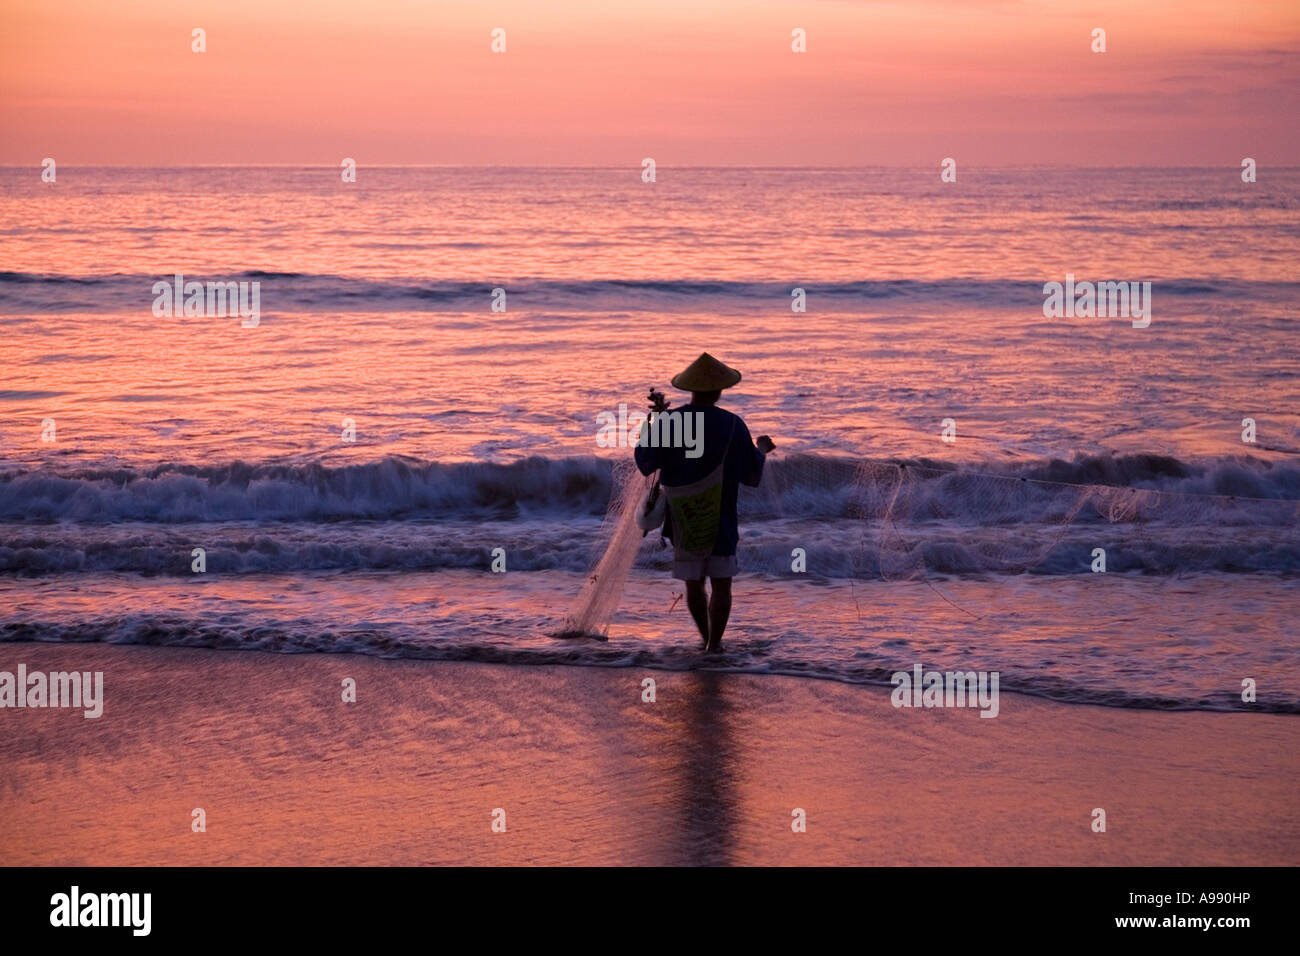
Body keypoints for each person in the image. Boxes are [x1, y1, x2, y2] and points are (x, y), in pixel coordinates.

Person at [634, 353, 774, 653]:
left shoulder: (670, 421)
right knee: (722, 584)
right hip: (720, 518)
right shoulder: (733, 425)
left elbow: (646, 462)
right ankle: (715, 644)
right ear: (720, 390)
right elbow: (750, 473)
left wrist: (653, 422)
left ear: (691, 389)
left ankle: (705, 638)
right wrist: (761, 449)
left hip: (683, 517)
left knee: (694, 583)